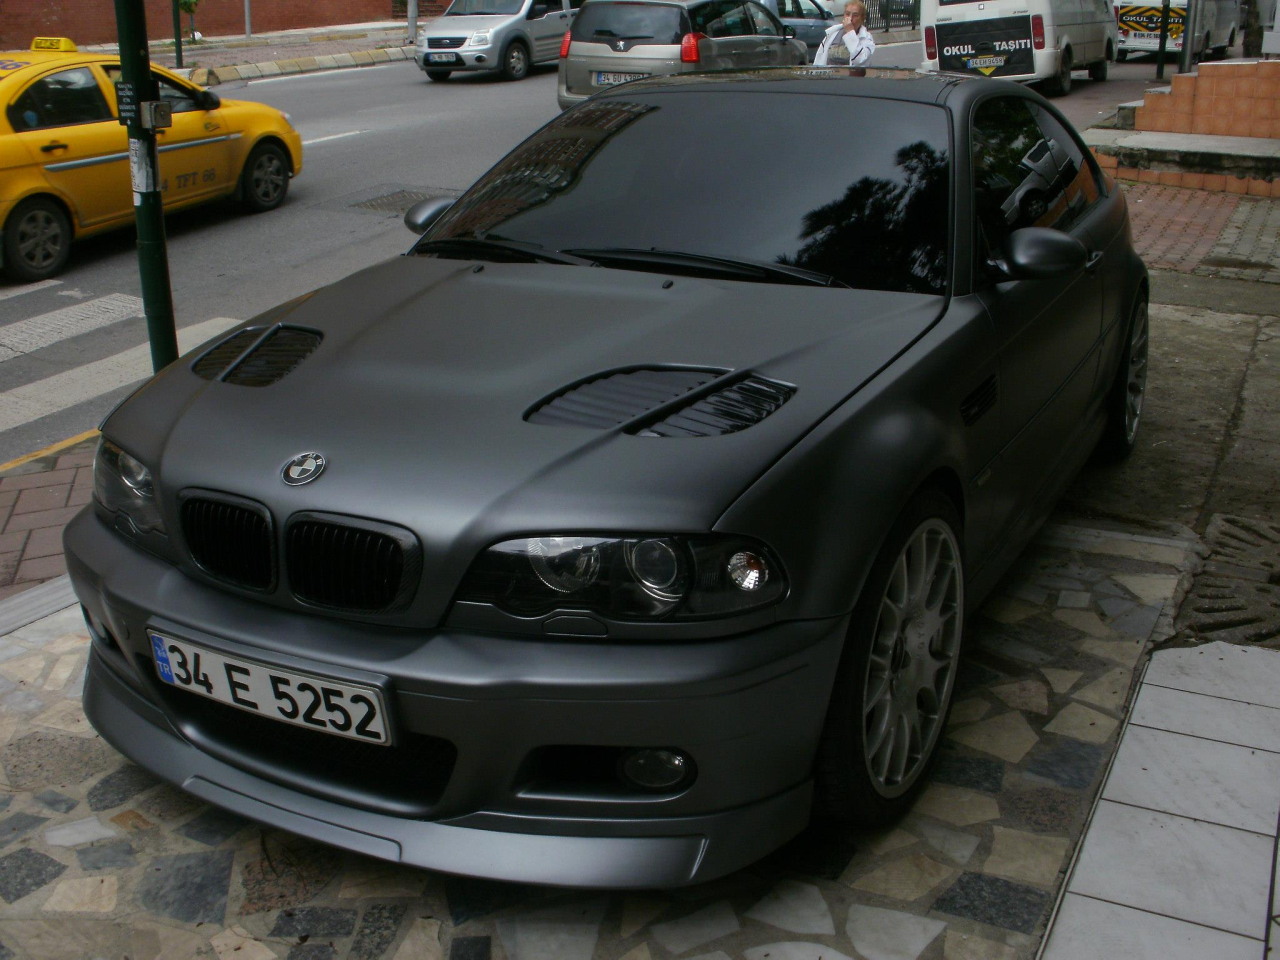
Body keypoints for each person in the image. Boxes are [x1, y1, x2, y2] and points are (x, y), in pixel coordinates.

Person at [813, 0, 875, 66]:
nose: (850, 18)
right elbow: (819, 60)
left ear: (862, 18)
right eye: (847, 14)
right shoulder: (832, 34)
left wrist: (850, 32)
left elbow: (859, 60)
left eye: (855, 15)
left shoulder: (867, 39)